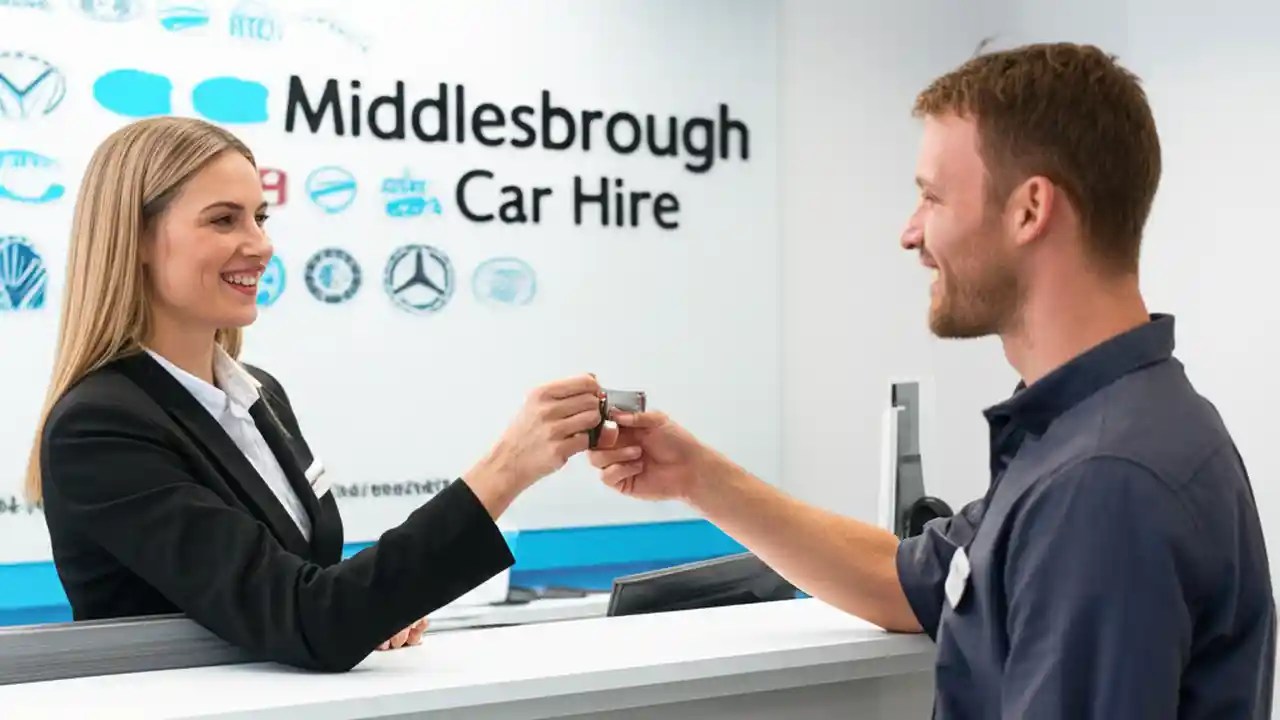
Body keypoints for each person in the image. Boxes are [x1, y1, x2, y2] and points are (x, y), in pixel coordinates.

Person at [589, 42, 1275, 718]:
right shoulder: (1094, 429)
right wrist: (695, 476)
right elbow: (901, 580)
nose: (909, 233)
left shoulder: (1100, 482)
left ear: (1030, 210)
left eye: (932, 199)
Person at [24, 116, 606, 672]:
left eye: (260, 217)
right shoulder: (99, 427)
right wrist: (506, 470)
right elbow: (312, 620)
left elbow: (301, 597)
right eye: (224, 220)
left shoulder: (261, 396)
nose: (259, 245)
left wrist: (372, 609)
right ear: (139, 239)